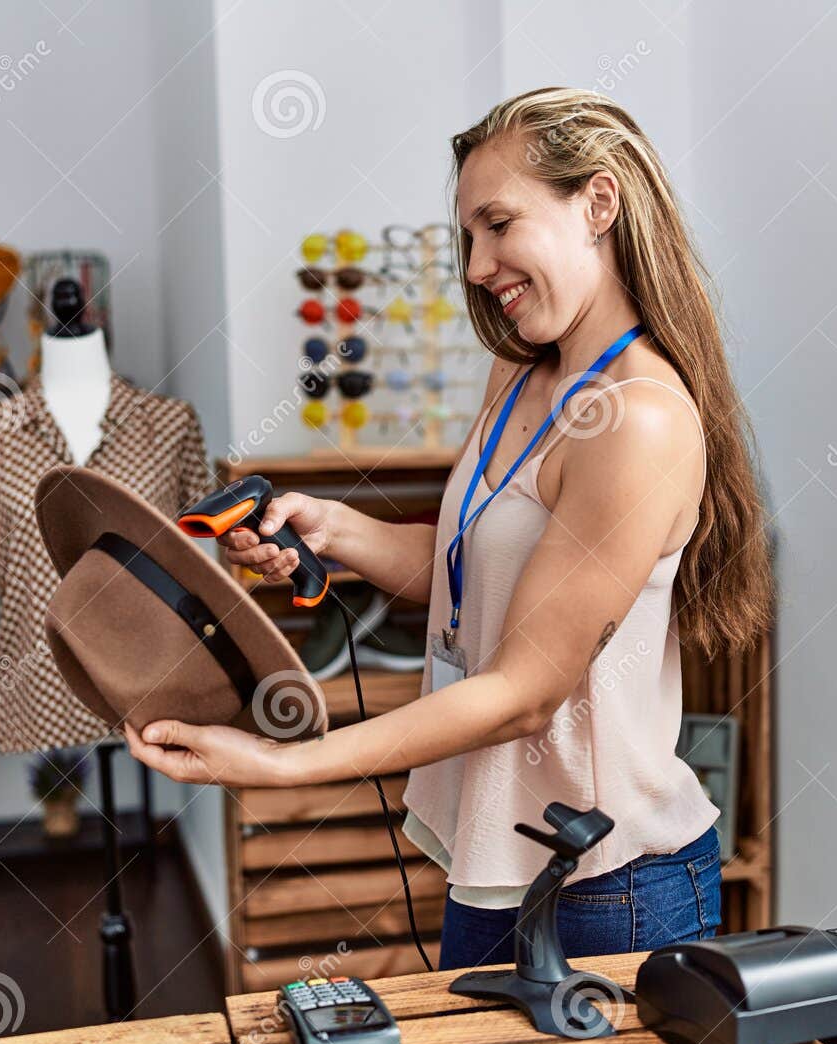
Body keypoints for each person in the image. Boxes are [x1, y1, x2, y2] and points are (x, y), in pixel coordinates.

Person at [125, 87, 774, 968]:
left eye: (498, 224)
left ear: (599, 204)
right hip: (492, 862)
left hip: (608, 886)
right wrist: (334, 528)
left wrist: (285, 763)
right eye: (469, 235)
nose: (476, 266)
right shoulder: (522, 375)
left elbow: (525, 690)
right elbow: (472, 572)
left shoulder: (639, 420)